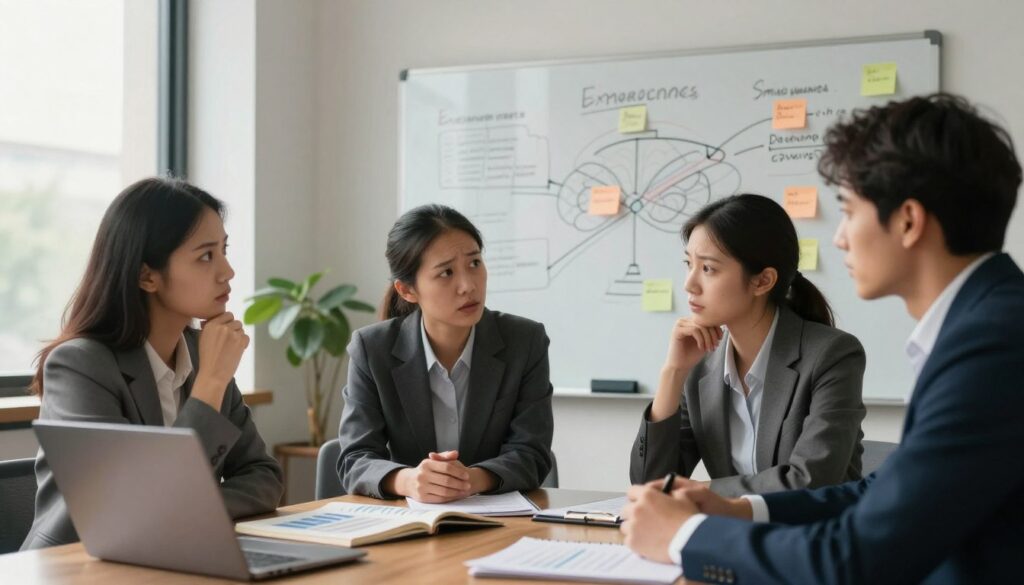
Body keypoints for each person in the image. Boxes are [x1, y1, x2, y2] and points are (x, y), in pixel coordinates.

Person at [620, 93, 1024, 584]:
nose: (839, 237)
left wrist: (684, 538)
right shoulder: (985, 324)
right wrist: (739, 509)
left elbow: (856, 556)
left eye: (849, 211)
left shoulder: (992, 346)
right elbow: (879, 494)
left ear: (909, 221)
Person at [22, 177, 283, 550]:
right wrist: (210, 382)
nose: (228, 271)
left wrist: (178, 514)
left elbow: (264, 477)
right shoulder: (80, 366)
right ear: (147, 275)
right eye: (206, 256)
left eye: (224, 250)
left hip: (174, 557)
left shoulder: (203, 351)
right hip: (78, 569)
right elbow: (127, 514)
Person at [630, 194, 866, 496]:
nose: (689, 283)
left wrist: (703, 492)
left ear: (762, 281)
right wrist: (673, 372)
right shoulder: (700, 365)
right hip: (734, 536)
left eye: (708, 269)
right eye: (689, 264)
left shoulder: (831, 355)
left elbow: (809, 481)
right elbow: (650, 484)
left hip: (811, 536)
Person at [336, 204, 553, 502]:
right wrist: (408, 481)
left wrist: (469, 480)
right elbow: (355, 459)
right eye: (446, 272)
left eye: (475, 263)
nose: (468, 285)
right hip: (408, 524)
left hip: (500, 524)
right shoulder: (372, 349)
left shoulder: (525, 341)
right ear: (407, 290)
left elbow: (532, 454)